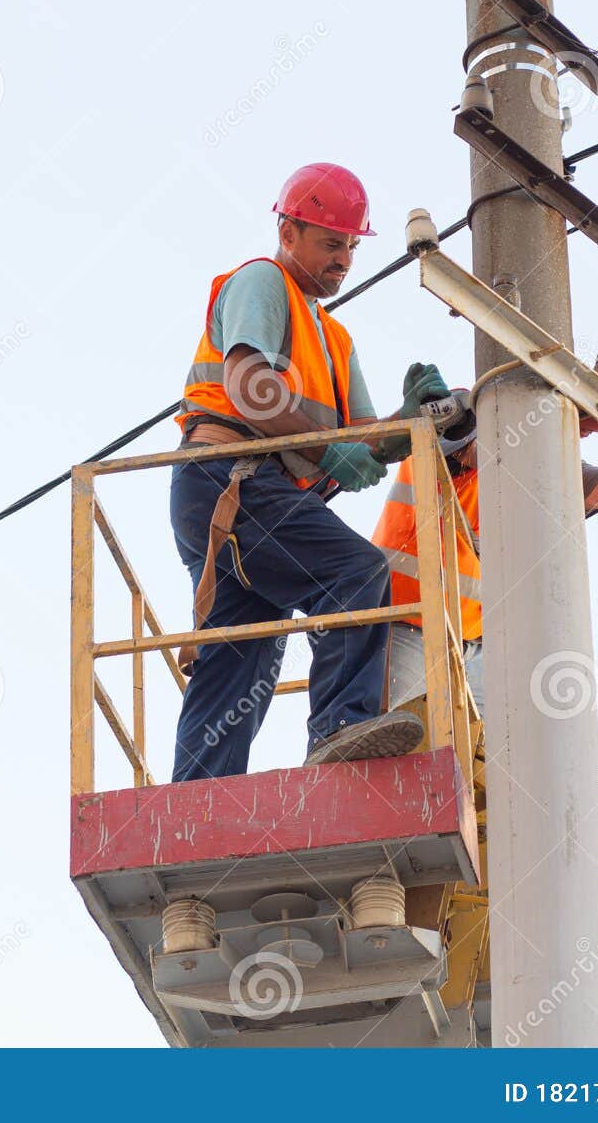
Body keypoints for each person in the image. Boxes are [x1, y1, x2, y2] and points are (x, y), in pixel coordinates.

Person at [169, 162, 450, 782]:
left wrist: (410, 423)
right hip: (230, 477)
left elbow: (361, 448)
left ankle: (197, 801)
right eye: (331, 242)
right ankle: (340, 730)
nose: (344, 259)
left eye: (351, 246)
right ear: (288, 230)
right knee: (357, 571)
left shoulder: (334, 336)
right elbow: (250, 388)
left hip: (251, 496)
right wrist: (329, 451)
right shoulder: (263, 282)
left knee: (240, 661)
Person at [372, 376, 598, 714]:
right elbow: (475, 445)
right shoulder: (471, 412)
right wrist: (548, 414)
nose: (586, 428)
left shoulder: (544, 470)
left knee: (493, 765)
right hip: (402, 623)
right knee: (377, 749)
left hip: (474, 650)